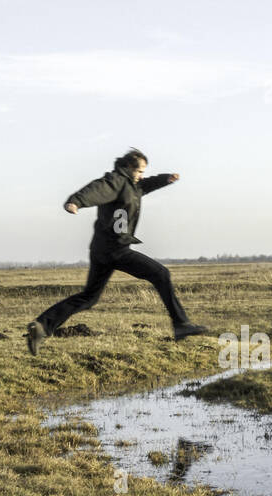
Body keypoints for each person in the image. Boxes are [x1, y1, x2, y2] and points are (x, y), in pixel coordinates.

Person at [26, 148, 207, 354]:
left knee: (89, 297)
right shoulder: (116, 182)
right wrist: (76, 201)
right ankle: (181, 325)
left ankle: (41, 326)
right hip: (115, 249)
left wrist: (166, 179)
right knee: (161, 274)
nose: (142, 176)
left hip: (102, 250)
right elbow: (97, 189)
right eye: (139, 171)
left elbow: (146, 185)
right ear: (129, 167)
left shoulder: (132, 186)